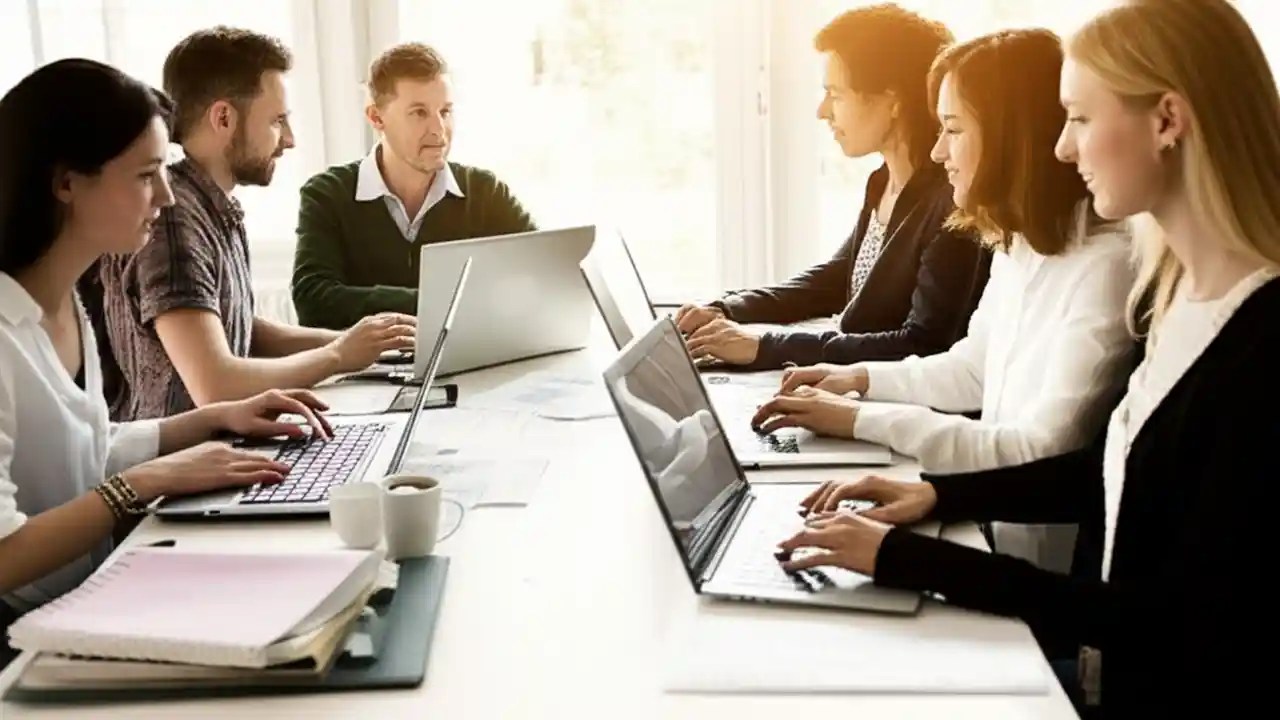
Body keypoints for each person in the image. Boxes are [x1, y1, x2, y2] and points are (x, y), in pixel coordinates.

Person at [775, 0, 1280, 714]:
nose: (1061, 149)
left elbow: (1170, 618)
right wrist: (942, 496)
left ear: (1167, 122)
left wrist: (909, 558)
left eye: (1077, 118)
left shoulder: (1259, 345)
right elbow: (1112, 472)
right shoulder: (1185, 300)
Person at [753, 29, 1137, 574]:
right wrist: (858, 380)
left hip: (1028, 575)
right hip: (980, 529)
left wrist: (863, 419)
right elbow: (971, 370)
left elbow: (1040, 451)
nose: (938, 152)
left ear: (1011, 140)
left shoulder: (1103, 268)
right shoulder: (1017, 243)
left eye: (953, 130)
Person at [0, 58, 333, 668]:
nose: (167, 195)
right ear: (66, 181)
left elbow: (85, 449)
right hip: (21, 640)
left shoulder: (67, 299)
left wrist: (212, 420)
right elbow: (3, 556)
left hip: (95, 593)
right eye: (146, 175)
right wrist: (144, 484)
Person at [84, 27, 415, 421]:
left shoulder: (210, 205)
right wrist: (339, 356)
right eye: (277, 120)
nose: (289, 139)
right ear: (223, 118)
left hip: (219, 449)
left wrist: (367, 345)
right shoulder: (172, 218)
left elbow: (235, 328)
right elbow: (215, 384)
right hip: (179, 464)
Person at [678, 4, 990, 371]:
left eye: (836, 94)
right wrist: (728, 308)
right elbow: (838, 277)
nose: (822, 111)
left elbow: (922, 345)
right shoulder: (883, 181)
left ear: (892, 100)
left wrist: (766, 346)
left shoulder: (951, 203)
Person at [291, 42, 537, 330]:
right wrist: (439, 303)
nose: (438, 129)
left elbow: (540, 273)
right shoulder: (327, 194)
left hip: (468, 368)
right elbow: (313, 301)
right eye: (419, 112)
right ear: (376, 117)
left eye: (445, 111)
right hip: (366, 373)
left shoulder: (486, 192)